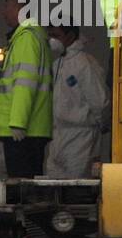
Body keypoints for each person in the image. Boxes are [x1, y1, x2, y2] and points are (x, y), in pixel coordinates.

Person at [0, 0, 53, 178]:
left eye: (7, 6)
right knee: (28, 184)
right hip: (31, 129)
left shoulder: (26, 38)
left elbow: (24, 85)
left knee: (22, 186)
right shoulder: (32, 37)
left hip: (23, 131)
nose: (4, 12)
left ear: (21, 8)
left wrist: (18, 123)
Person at [43, 24, 108, 179]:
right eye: (50, 35)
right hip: (58, 135)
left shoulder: (84, 64)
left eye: (56, 35)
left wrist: (101, 125)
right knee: (55, 188)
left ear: (70, 36)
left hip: (81, 136)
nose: (52, 40)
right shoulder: (58, 64)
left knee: (77, 188)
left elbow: (99, 101)